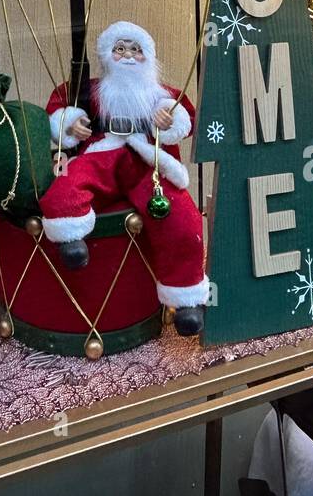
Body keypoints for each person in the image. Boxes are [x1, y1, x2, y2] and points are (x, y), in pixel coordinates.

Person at [41, 21, 210, 336]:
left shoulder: (163, 94)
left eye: (136, 50)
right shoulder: (91, 90)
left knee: (182, 217)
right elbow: (59, 105)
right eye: (120, 50)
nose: (128, 57)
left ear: (148, 57)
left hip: (146, 161)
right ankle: (70, 237)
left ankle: (185, 298)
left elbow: (188, 117)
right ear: (108, 55)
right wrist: (71, 123)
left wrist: (168, 119)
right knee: (67, 180)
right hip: (102, 154)